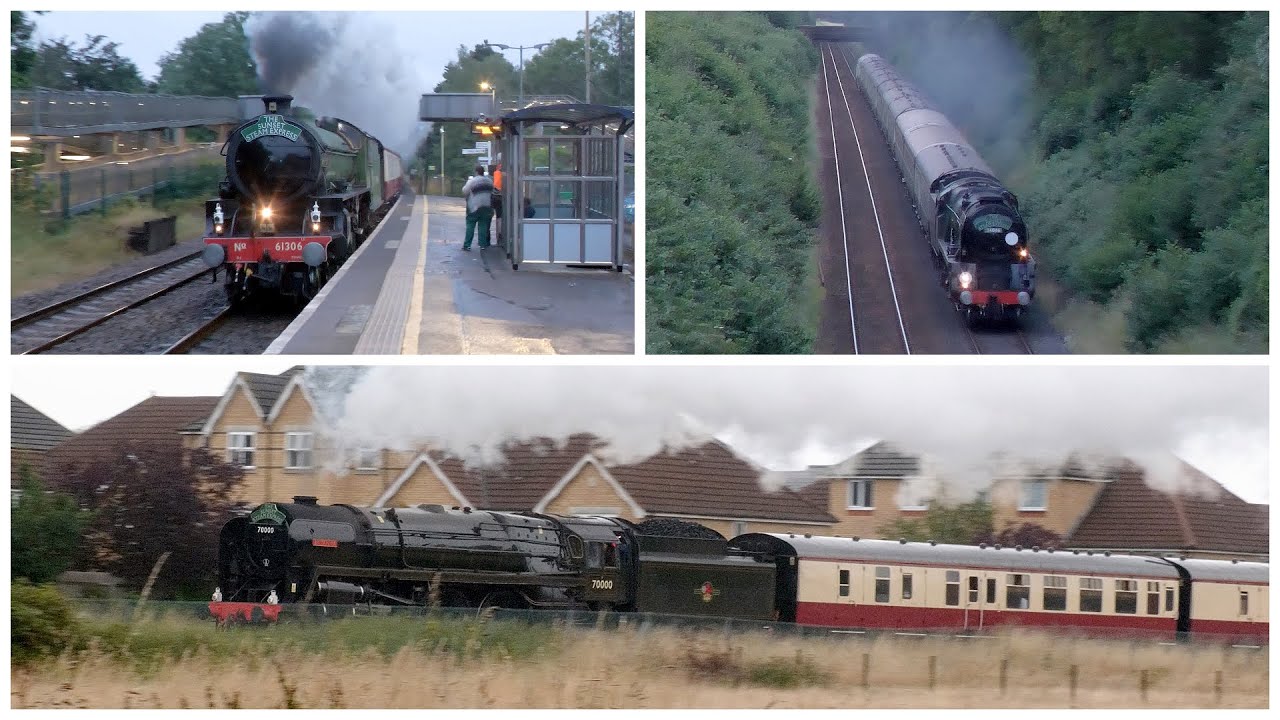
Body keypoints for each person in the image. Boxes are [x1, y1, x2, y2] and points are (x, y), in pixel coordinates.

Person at [461, 166, 494, 251]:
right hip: (487, 206)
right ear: (483, 172)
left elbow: (465, 191)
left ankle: (467, 245)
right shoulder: (489, 181)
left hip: (474, 206)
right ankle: (482, 245)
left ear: (476, 172)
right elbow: (492, 192)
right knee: (483, 225)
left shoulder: (472, 181)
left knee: (470, 225)